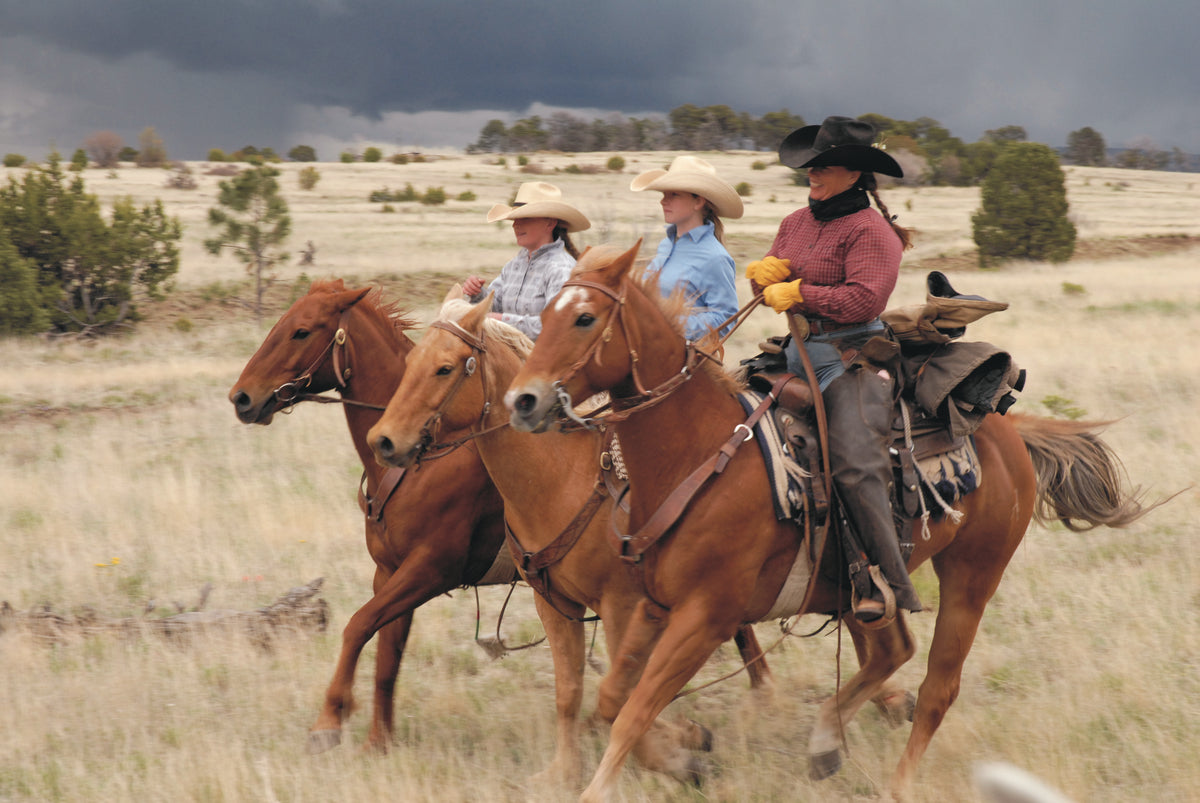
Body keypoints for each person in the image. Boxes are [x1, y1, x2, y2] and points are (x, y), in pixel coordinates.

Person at [746, 115, 919, 625]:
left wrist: (800, 292)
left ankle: (879, 578)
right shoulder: (795, 223)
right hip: (795, 353)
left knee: (853, 463)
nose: (812, 176)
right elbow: (769, 289)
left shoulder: (873, 231)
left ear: (854, 174)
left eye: (823, 168)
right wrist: (762, 278)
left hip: (851, 357)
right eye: (810, 167)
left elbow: (866, 297)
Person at [629, 155, 744, 343]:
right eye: (664, 194)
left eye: (674, 194)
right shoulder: (667, 244)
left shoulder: (715, 257)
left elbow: (725, 319)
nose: (663, 201)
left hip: (684, 365)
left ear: (698, 202)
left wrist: (670, 322)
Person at [463, 182, 590, 340]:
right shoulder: (514, 266)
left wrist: (502, 321)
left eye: (525, 218)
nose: (516, 225)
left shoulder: (562, 269)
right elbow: (495, 306)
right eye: (515, 219)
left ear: (550, 223)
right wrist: (478, 294)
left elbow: (555, 325)